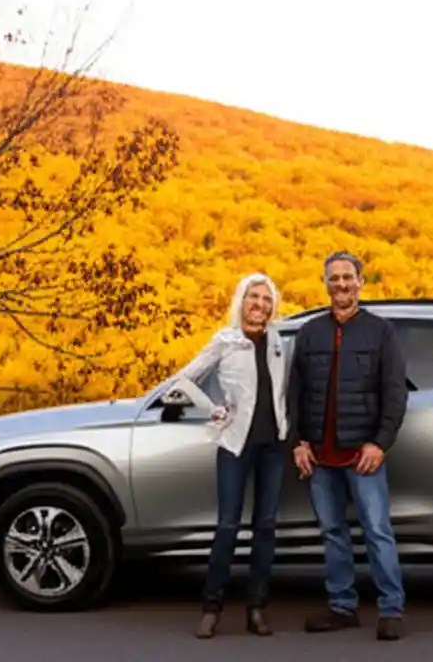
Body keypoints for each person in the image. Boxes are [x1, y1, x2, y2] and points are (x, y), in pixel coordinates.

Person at [288, 250, 409, 641]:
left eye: (347, 277)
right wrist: (299, 443)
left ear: (360, 281)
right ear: (325, 283)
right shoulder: (310, 332)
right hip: (321, 457)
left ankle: (391, 609)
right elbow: (296, 392)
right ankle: (342, 606)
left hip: (363, 455)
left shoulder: (380, 331)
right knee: (332, 532)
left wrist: (380, 443)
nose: (341, 284)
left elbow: (395, 393)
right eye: (334, 278)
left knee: (377, 530)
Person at [168, 272, 289, 639]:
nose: (260, 305)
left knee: (266, 526)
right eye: (254, 297)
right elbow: (183, 381)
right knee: (227, 526)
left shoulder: (278, 342)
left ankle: (257, 608)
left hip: (272, 445)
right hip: (235, 444)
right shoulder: (226, 341)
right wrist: (213, 409)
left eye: (267, 299)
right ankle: (211, 608)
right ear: (242, 301)